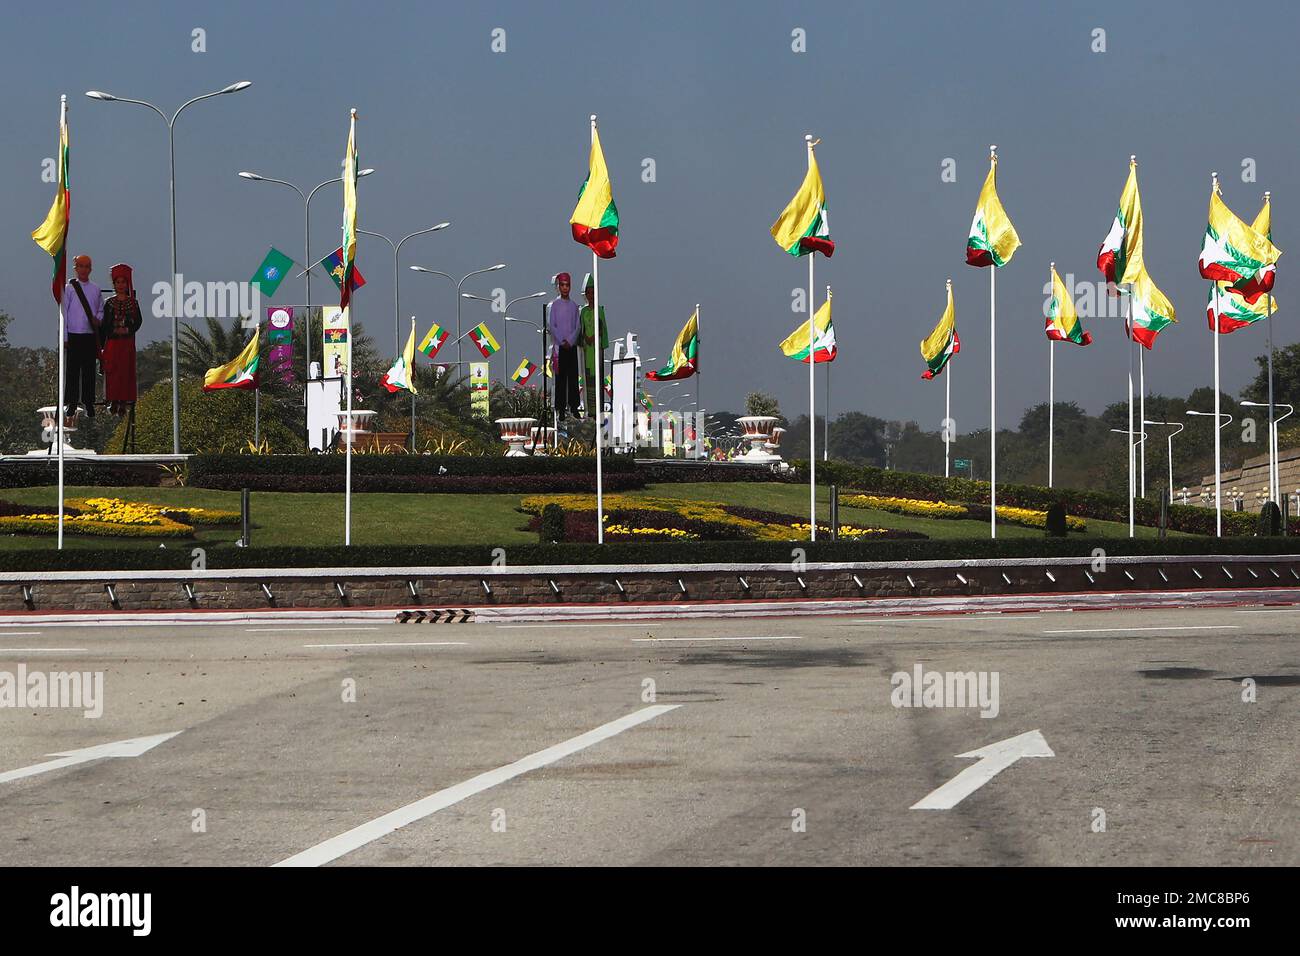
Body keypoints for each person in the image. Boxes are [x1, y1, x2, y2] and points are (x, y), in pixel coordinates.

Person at [62, 254, 102, 419]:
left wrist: (98, 319)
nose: (84, 269)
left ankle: (88, 402)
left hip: (89, 336)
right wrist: (64, 337)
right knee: (72, 371)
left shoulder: (95, 289)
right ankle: (71, 402)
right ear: (76, 268)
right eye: (80, 266)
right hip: (73, 335)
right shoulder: (69, 289)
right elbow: (64, 313)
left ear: (90, 269)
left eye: (86, 266)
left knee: (88, 371)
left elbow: (100, 310)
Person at [100, 263, 142, 416]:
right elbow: (104, 324)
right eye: (118, 282)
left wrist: (128, 329)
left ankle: (124, 401)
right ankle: (113, 400)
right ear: (114, 284)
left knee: (126, 371)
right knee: (113, 372)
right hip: (113, 342)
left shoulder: (133, 302)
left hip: (127, 342)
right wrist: (113, 330)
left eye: (123, 282)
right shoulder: (109, 303)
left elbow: (138, 321)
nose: (121, 285)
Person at [548, 272, 581, 419]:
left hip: (571, 346)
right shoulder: (554, 305)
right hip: (559, 347)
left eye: (567, 285)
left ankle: (574, 407)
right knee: (560, 379)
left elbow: (577, 327)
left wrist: (571, 340)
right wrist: (562, 340)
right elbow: (552, 325)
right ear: (558, 287)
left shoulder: (574, 306)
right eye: (562, 285)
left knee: (573, 377)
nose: (565, 288)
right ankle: (561, 409)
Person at [578, 272, 610, 413]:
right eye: (588, 292)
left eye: (593, 292)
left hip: (597, 350)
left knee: (598, 378)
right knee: (588, 379)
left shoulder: (600, 310)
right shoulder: (582, 311)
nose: (591, 295)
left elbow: (603, 328)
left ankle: (598, 408)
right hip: (586, 351)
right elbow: (580, 330)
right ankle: (590, 409)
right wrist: (586, 338)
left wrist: (598, 338)